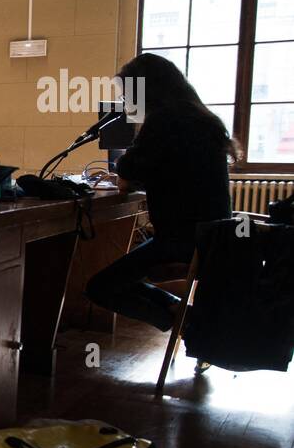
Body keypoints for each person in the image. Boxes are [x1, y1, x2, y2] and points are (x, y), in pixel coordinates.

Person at [85, 53, 234, 331]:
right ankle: (179, 311)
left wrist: (124, 170)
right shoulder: (202, 119)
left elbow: (129, 170)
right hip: (214, 239)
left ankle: (189, 325)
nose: (128, 102)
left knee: (100, 287)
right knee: (122, 279)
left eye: (130, 93)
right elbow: (169, 170)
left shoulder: (166, 119)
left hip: (183, 241)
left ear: (148, 90)